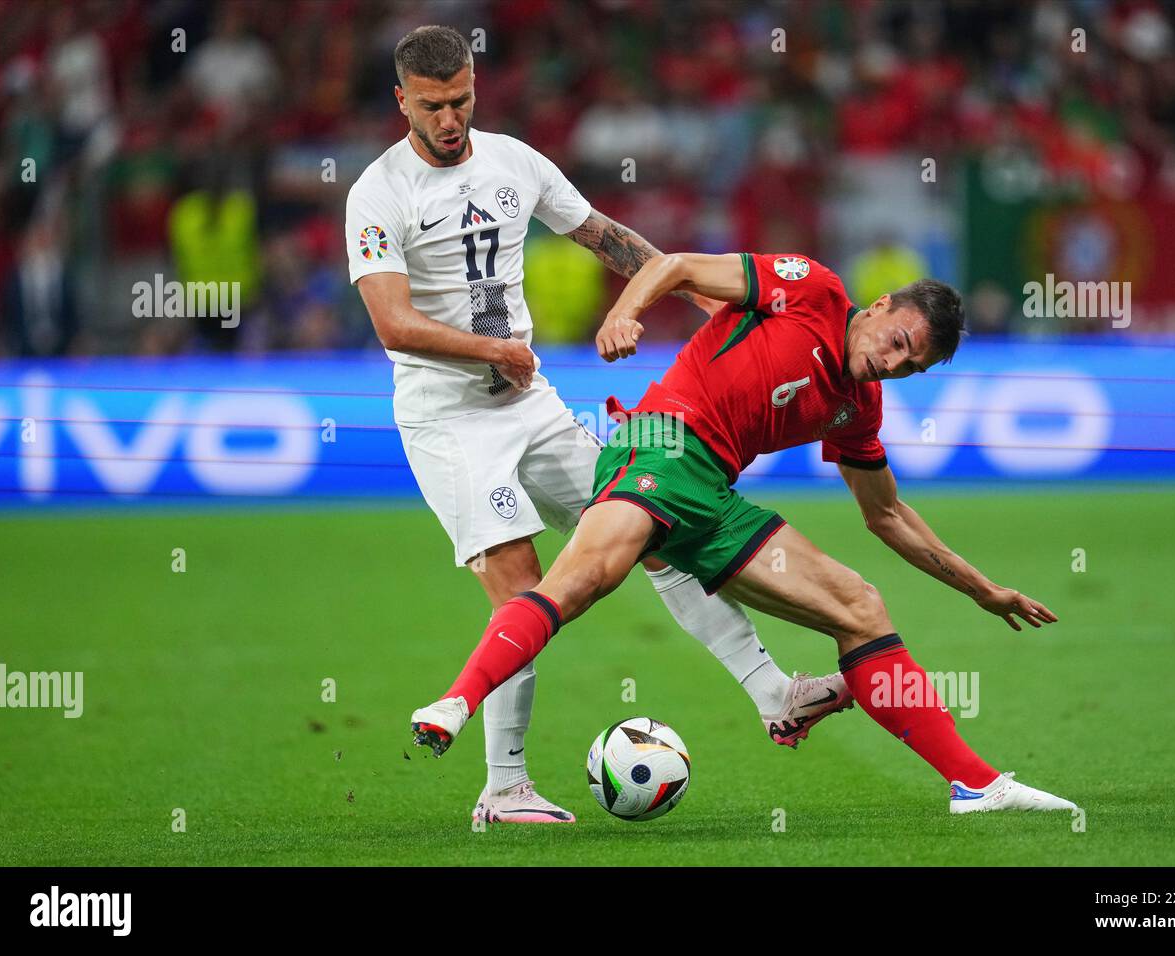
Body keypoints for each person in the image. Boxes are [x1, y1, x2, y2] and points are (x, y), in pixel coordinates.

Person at [346, 28, 847, 825]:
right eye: (434, 106)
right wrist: (491, 348)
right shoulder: (377, 193)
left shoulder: (514, 162)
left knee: (652, 521)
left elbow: (604, 236)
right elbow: (393, 324)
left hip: (530, 403)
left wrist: (694, 296)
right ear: (401, 99)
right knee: (522, 587)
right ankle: (503, 786)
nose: (451, 118)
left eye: (463, 100)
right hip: (448, 419)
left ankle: (774, 692)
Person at [412, 251, 1078, 814]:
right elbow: (673, 265)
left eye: (911, 369)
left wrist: (982, 590)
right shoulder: (811, 289)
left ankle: (976, 784)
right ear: (877, 308)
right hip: (661, 445)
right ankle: (457, 703)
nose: (891, 364)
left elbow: (887, 514)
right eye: (898, 343)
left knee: (861, 608)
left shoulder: (857, 407)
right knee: (583, 581)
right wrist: (623, 315)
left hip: (712, 495)